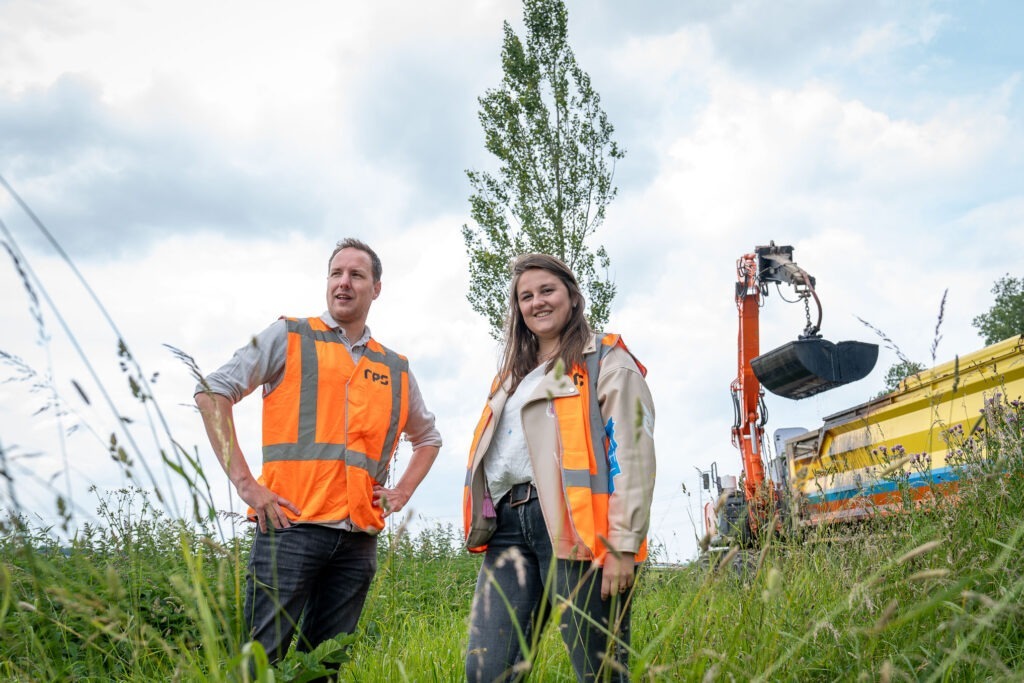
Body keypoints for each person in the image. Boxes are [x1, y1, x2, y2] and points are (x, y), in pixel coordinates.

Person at [195, 238, 442, 664]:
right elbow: (212, 390)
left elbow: (429, 438)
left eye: (356, 275)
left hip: (356, 541)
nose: (343, 283)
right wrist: (246, 485)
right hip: (290, 527)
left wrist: (401, 493)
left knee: (323, 667)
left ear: (376, 288)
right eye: (335, 273)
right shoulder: (289, 335)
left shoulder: (394, 367)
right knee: (261, 664)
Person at [462, 253, 656, 682]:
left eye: (546, 290)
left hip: (579, 532)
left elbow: (633, 455)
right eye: (526, 296)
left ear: (571, 295)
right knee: (486, 671)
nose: (537, 302)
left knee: (599, 671)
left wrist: (622, 544)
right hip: (508, 527)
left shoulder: (605, 361)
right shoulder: (510, 378)